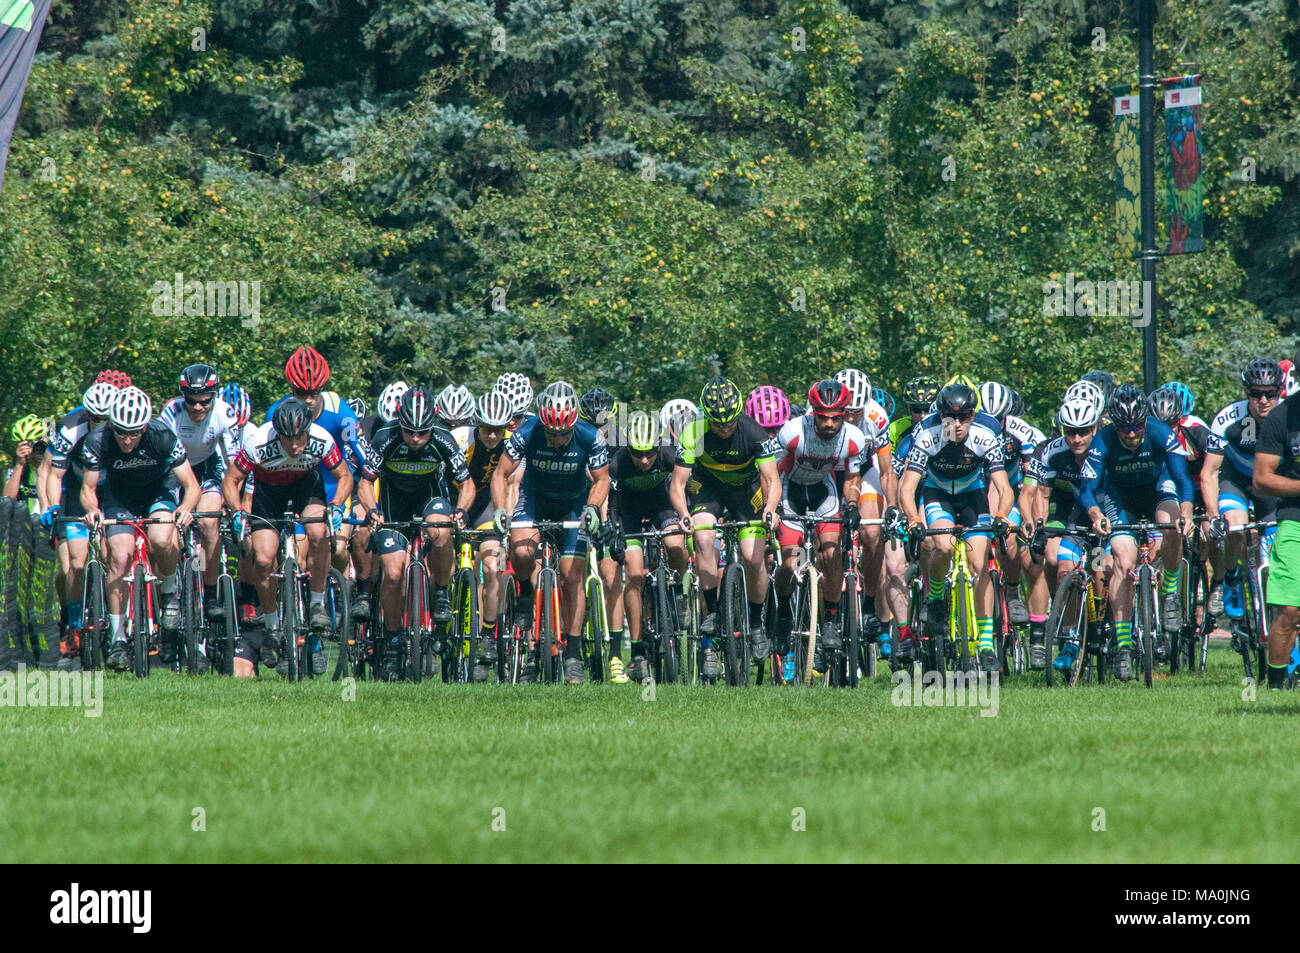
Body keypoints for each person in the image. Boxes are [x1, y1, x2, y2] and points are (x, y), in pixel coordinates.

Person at [222, 396, 353, 677]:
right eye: (287, 439)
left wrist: (337, 506)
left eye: (299, 438)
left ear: (309, 430)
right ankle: (271, 625)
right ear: (277, 434)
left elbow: (344, 476)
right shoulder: (258, 441)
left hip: (307, 487)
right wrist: (236, 511)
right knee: (263, 556)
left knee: (319, 532)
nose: (294, 445)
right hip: (269, 493)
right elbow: (231, 480)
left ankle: (317, 604)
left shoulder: (321, 439)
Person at [490, 382, 610, 684]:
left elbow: (601, 479)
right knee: (521, 552)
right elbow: (500, 474)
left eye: (563, 433)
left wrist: (593, 509)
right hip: (535, 499)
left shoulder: (589, 436)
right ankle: (526, 593)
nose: (557, 440)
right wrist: (500, 510)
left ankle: (572, 654)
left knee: (572, 576)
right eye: (551, 433)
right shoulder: (526, 433)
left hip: (572, 504)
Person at [79, 387, 201, 671]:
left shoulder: (162, 436)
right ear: (111, 424)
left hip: (159, 491)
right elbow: (88, 489)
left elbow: (191, 486)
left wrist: (185, 508)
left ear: (146, 427)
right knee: (119, 557)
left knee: (160, 539)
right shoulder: (97, 440)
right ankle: (119, 638)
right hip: (120, 496)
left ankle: (170, 591)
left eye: (135, 432)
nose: (128, 439)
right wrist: (92, 510)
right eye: (121, 432)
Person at [360, 386, 474, 680]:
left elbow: (468, 484)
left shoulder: (443, 439)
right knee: (394, 573)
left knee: (440, 528)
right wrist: (372, 510)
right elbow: (364, 483)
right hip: (393, 507)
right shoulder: (385, 438)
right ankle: (395, 640)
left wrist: (460, 510)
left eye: (422, 432)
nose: (415, 438)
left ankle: (440, 593)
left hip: (430, 500)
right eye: (409, 431)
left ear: (432, 425)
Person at [1252, 368, 1300, 691]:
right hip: (1295, 518)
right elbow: (1262, 478)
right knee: (1289, 609)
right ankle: (1274, 685)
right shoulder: (1282, 416)